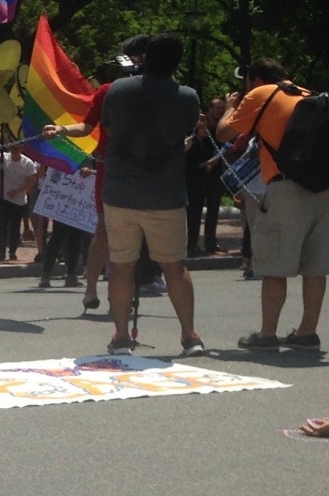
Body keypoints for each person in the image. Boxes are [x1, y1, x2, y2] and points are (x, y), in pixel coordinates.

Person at [91, 34, 204, 357]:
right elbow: (184, 132)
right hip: (164, 192)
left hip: (120, 189)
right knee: (174, 266)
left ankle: (122, 336)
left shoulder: (117, 90)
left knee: (122, 266)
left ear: (144, 58)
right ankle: (189, 335)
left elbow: (109, 130)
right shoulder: (187, 96)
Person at [221, 58, 329, 351]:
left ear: (256, 80)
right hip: (325, 186)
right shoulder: (307, 94)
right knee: (315, 266)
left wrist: (229, 108)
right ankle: (307, 332)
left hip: (286, 187)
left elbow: (225, 133)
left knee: (274, 264)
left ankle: (267, 334)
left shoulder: (261, 94)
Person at [185, 97, 225, 256]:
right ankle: (192, 245)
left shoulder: (212, 137)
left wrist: (213, 163)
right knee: (194, 214)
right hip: (195, 181)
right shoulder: (191, 142)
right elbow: (188, 163)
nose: (204, 127)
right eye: (201, 125)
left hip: (212, 178)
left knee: (213, 210)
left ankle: (210, 243)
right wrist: (205, 165)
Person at [0, 132, 35, 262]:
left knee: (15, 226)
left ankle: (13, 251)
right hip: (3, 197)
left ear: (22, 148)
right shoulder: (4, 157)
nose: (14, 151)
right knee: (2, 225)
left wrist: (17, 191)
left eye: (17, 148)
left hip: (18, 199)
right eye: (12, 148)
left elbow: (30, 181)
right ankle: (2, 251)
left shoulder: (28, 163)